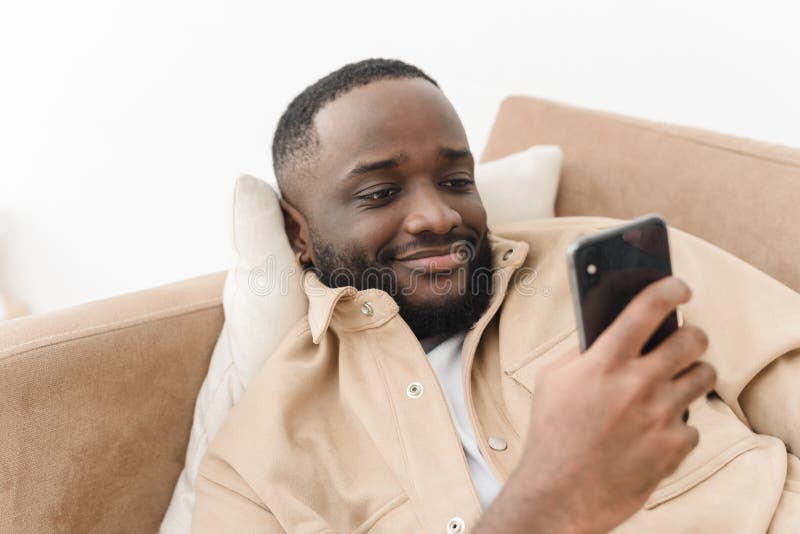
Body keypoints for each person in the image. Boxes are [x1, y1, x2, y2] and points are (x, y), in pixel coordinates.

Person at [191, 58, 800, 532]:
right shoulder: (254, 462)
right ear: (300, 234)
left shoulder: (608, 262)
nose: (436, 216)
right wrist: (551, 501)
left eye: (457, 180)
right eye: (379, 193)